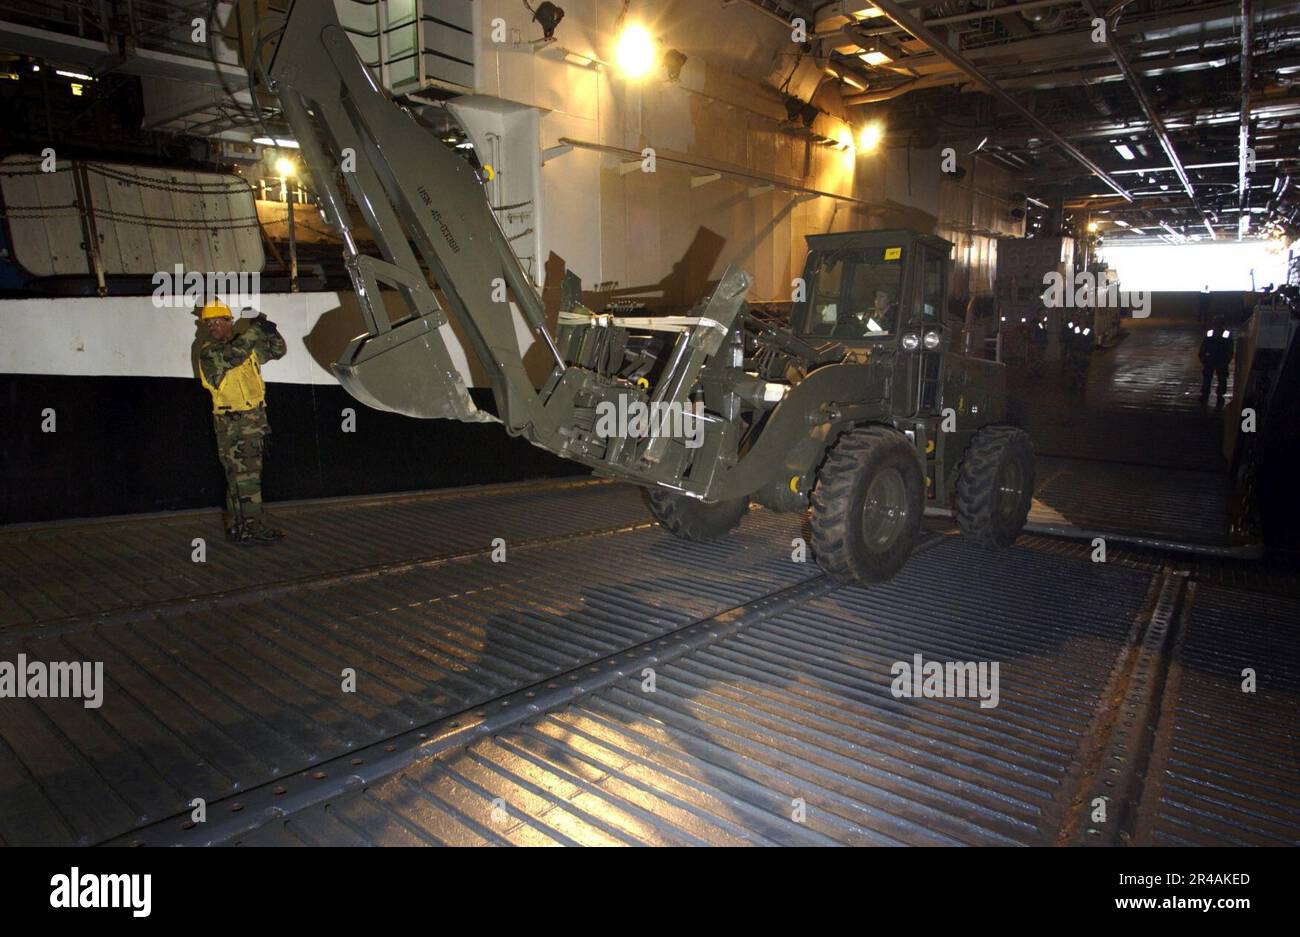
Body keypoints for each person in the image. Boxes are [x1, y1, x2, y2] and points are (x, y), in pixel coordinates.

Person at [195, 299, 287, 545]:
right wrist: (256, 329)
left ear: (229, 322)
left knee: (240, 479)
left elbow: (278, 351)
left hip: (253, 420)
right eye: (209, 322)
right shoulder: (210, 351)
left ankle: (239, 527)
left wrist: (270, 330)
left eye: (218, 321)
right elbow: (234, 355)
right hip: (232, 423)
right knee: (245, 481)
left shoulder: (245, 349)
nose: (213, 326)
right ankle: (252, 529)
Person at [1198, 315, 1234, 405]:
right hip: (1221, 359)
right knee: (1222, 378)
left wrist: (1202, 356)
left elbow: (1204, 345)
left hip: (1210, 358)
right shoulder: (1227, 334)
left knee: (1207, 377)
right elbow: (1230, 348)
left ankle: (1205, 394)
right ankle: (1220, 395)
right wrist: (1228, 359)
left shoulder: (1210, 333)